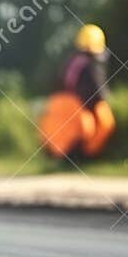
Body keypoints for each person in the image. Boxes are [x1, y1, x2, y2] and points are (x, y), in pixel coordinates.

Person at [38, 24, 115, 160]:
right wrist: (108, 100)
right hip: (74, 107)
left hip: (61, 105)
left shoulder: (71, 61)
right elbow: (99, 90)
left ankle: (71, 158)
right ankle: (86, 157)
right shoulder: (92, 62)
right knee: (98, 123)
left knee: (75, 131)